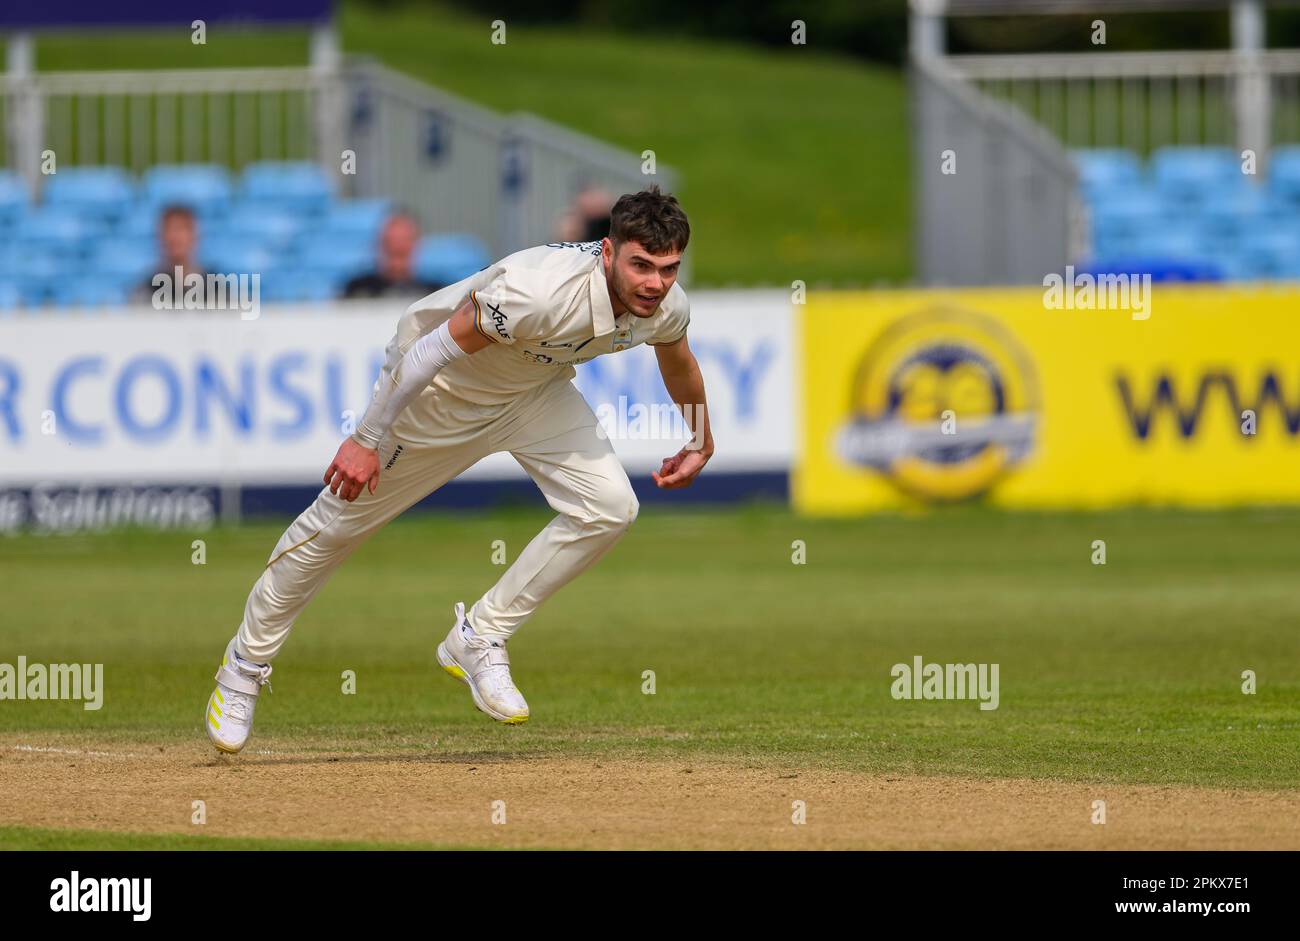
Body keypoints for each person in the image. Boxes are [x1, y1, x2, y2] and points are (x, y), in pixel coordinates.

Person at [204, 186, 712, 752]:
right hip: (438, 400)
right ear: (608, 252)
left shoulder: (666, 304)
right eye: (641, 265)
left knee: (612, 507)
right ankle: (243, 668)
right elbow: (429, 352)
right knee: (332, 530)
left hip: (532, 396)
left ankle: (479, 635)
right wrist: (365, 438)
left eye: (668, 269)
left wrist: (700, 437)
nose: (654, 283)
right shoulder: (538, 292)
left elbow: (679, 360)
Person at [342, 211, 444, 299]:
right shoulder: (357, 291)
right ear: (379, 245)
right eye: (390, 242)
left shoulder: (435, 294)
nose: (397, 246)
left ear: (417, 245)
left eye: (405, 240)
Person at [133, 204, 207, 307]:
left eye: (181, 229)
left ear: (195, 236)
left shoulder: (216, 290)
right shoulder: (144, 293)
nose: (175, 237)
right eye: (170, 230)